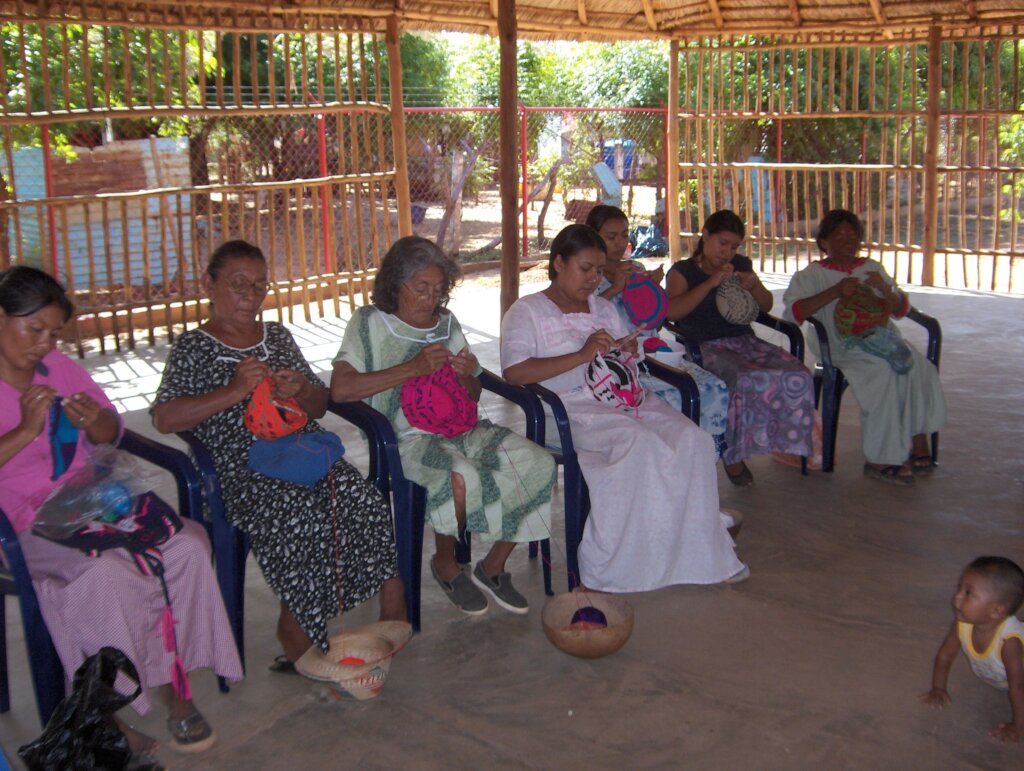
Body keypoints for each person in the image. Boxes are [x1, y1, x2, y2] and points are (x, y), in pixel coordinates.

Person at [0, 266, 241, 758]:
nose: (44, 344)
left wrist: (96, 423)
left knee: (188, 544)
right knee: (106, 573)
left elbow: (111, 432)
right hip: (21, 523)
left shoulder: (59, 369)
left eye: (52, 332)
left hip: (88, 500)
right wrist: (25, 430)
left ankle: (171, 682)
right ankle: (100, 710)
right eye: (33, 329)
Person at [152, 240, 405, 672]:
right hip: (240, 466)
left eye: (259, 285)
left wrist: (299, 390)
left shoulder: (279, 337)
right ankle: (295, 631)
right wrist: (233, 392)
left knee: (362, 498)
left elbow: (319, 404)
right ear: (209, 285)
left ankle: (391, 605)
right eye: (238, 285)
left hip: (300, 451)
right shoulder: (194, 348)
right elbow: (165, 417)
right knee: (300, 510)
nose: (250, 296)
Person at [501, 224, 747, 593]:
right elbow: (516, 372)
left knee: (693, 440)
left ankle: (696, 555)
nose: (594, 279)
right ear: (558, 263)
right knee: (639, 445)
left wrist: (625, 351)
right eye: (585, 269)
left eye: (599, 270)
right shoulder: (528, 312)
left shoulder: (602, 307)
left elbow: (619, 356)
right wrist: (582, 355)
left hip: (621, 397)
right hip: (567, 410)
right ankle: (614, 569)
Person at [331, 236, 556, 616]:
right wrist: (411, 369)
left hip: (462, 428)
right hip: (404, 439)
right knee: (459, 474)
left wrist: (468, 375)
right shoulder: (370, 323)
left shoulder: (446, 323)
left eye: (438, 290)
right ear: (395, 284)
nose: (430, 299)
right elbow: (340, 389)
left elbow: (472, 391)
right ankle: (446, 564)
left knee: (538, 463)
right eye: (420, 288)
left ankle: (493, 567)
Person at [783, 209, 947, 485]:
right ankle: (881, 458)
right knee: (883, 373)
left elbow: (900, 309)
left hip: (882, 338)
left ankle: (918, 440)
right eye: (839, 235)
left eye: (853, 235)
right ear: (824, 242)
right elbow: (795, 312)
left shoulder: (871, 267)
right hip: (840, 342)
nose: (848, 240)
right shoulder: (811, 274)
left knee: (919, 367)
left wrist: (885, 289)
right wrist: (835, 292)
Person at [665, 209, 815, 486]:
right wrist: (710, 282)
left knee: (798, 374)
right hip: (702, 344)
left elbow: (765, 308)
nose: (728, 252)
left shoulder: (741, 265)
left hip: (743, 341)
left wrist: (754, 286)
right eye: (723, 243)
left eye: (734, 246)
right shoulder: (682, 271)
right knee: (743, 379)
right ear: (706, 236)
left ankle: (783, 443)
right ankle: (733, 454)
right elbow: (672, 311)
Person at [585, 205, 730, 460]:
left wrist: (652, 293)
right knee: (676, 395)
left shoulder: (636, 268)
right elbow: (584, 319)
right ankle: (670, 461)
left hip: (653, 352)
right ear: (593, 238)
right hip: (617, 361)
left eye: (624, 234)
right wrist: (616, 288)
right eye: (611, 237)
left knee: (716, 387)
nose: (620, 243)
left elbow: (654, 321)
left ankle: (705, 461)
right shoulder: (588, 277)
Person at [921, 556, 1024, 742]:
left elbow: (1018, 686)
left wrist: (1018, 725)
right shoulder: (963, 624)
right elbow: (945, 656)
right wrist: (938, 688)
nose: (957, 597)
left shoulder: (1009, 643)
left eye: (969, 593)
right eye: (959, 588)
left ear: (996, 610)